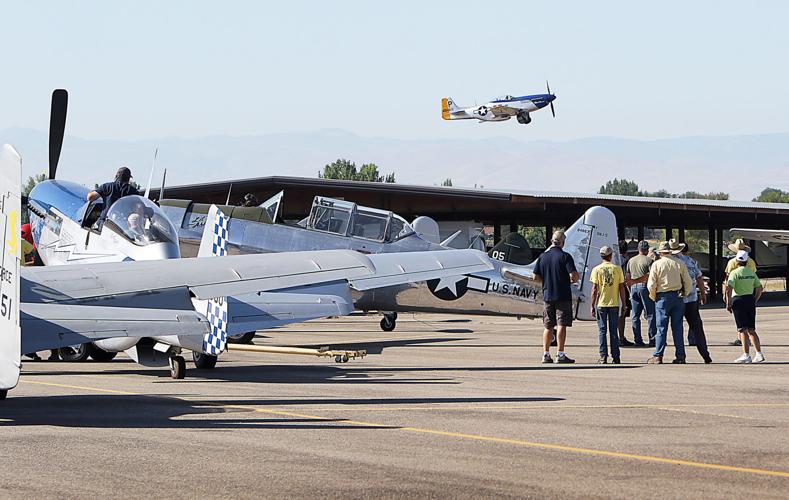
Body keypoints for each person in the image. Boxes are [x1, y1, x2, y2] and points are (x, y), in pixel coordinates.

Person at [533, 230, 579, 364]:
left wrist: (547, 280)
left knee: (548, 326)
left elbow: (535, 277)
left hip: (547, 295)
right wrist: (572, 279)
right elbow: (574, 275)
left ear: (552, 241)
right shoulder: (565, 256)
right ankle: (560, 353)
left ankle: (546, 354)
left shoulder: (543, 256)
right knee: (561, 325)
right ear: (563, 242)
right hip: (563, 295)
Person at [646, 240, 693, 364]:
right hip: (677, 297)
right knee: (677, 327)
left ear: (661, 252)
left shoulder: (657, 264)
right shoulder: (680, 263)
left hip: (662, 297)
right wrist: (685, 293)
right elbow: (688, 282)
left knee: (661, 327)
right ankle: (680, 355)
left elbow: (651, 284)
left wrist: (653, 296)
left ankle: (658, 355)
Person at [674, 242, 713, 363]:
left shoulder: (674, 262)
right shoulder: (692, 261)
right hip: (692, 298)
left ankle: (680, 356)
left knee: (677, 326)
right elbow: (699, 278)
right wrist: (703, 293)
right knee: (697, 327)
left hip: (678, 298)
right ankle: (705, 354)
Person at [726, 250, 765, 363]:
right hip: (749, 299)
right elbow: (759, 287)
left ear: (737, 261)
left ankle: (746, 354)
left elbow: (729, 288)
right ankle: (759, 353)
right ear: (747, 261)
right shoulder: (751, 272)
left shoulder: (734, 273)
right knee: (751, 329)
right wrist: (755, 299)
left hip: (738, 300)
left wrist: (728, 303)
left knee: (742, 329)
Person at [590, 245, 627, 364]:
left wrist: (592, 305)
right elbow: (621, 287)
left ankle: (603, 356)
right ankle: (616, 356)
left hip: (601, 304)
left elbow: (595, 289)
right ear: (610, 256)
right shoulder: (617, 269)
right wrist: (624, 303)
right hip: (614, 303)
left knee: (602, 331)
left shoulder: (596, 270)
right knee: (613, 331)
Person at [723, 239, 757, 347]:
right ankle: (751, 341)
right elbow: (755, 277)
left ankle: (741, 339)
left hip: (737, 293)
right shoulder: (751, 262)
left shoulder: (732, 262)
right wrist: (755, 298)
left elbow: (728, 279)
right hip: (749, 292)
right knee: (750, 323)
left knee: (740, 321)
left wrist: (726, 296)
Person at [626, 240, 655, 347]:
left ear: (638, 249)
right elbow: (651, 277)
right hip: (644, 287)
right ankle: (652, 338)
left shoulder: (631, 261)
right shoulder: (649, 261)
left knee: (635, 315)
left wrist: (630, 291)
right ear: (647, 250)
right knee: (650, 314)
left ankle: (638, 340)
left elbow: (627, 278)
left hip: (633, 288)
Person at [616, 240, 634, 346]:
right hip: (622, 290)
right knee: (621, 314)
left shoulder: (612, 260)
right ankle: (621, 337)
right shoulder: (626, 262)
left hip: (611, 290)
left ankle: (615, 337)